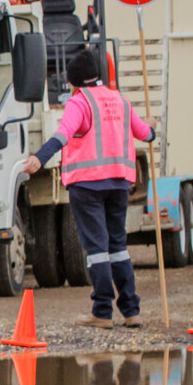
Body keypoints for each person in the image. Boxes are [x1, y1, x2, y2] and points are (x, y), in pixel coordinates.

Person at [21, 46, 157, 329]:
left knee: (97, 248)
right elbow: (145, 134)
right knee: (118, 246)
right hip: (119, 182)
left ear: (74, 82)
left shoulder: (79, 103)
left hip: (87, 185)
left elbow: (62, 135)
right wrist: (152, 127)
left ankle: (102, 312)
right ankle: (131, 311)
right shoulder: (120, 100)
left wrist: (39, 158)